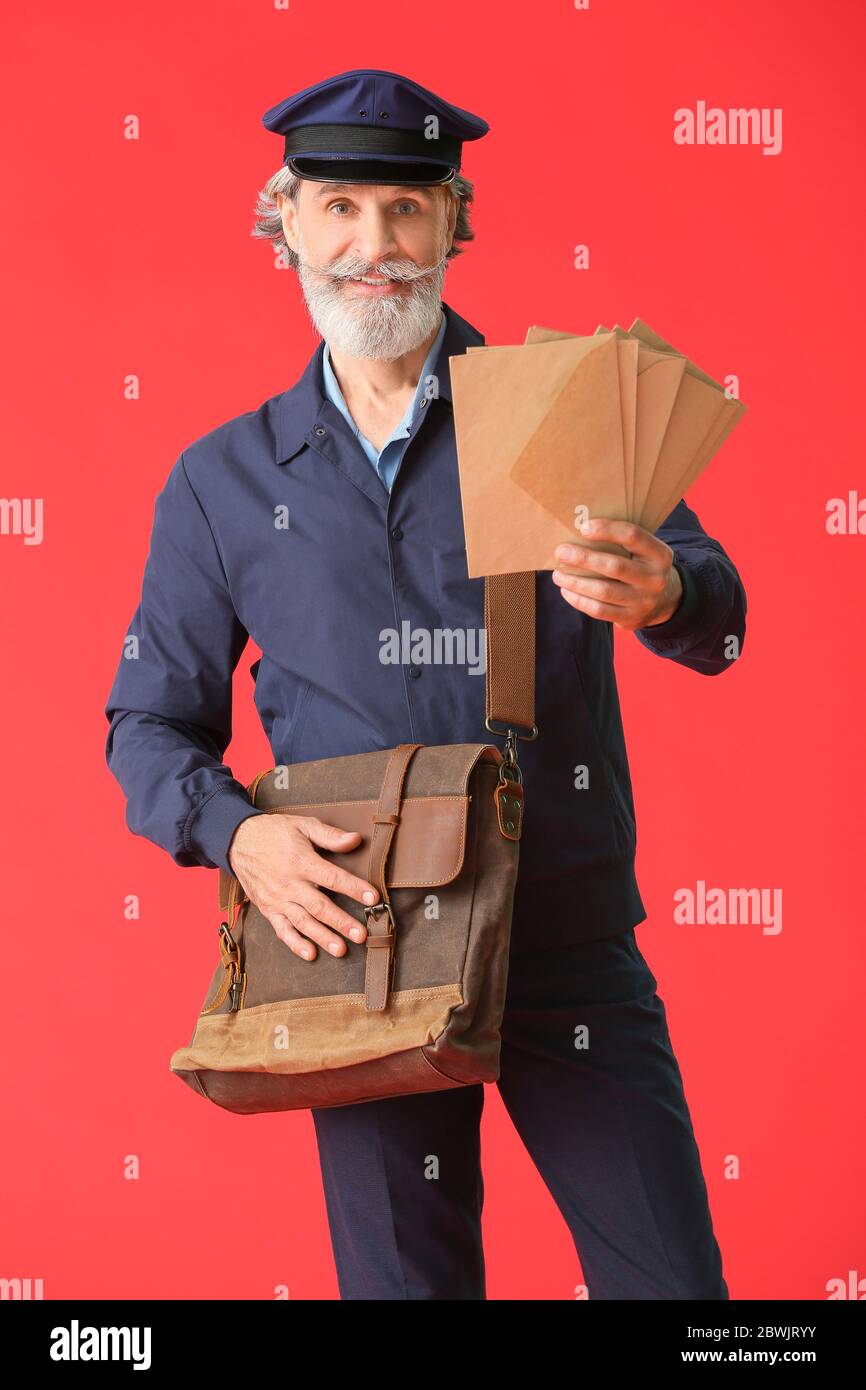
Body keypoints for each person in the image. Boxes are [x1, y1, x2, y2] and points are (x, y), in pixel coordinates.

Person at [104, 68, 746, 1300]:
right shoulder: (218, 480)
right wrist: (242, 842)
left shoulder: (559, 408)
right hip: (359, 946)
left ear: (457, 222)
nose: (374, 247)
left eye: (406, 211)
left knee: (675, 1298)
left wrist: (668, 592)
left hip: (564, 936)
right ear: (281, 221)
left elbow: (717, 618)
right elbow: (145, 723)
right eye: (339, 208)